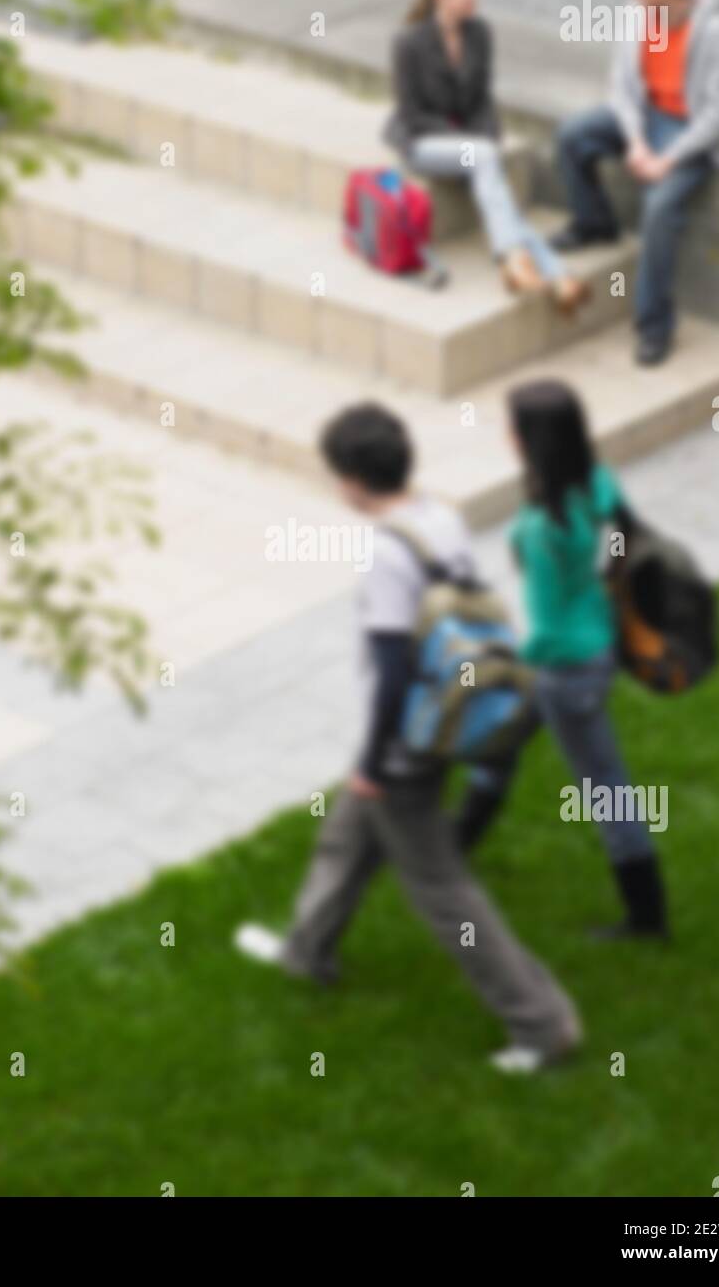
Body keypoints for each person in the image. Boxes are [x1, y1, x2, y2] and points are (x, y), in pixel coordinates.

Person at [236, 403, 581, 1074]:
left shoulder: (386, 555)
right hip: (440, 722)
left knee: (442, 890)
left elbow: (392, 672)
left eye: (337, 475)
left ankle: (541, 1026)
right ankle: (306, 954)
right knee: (343, 841)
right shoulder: (439, 518)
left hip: (402, 749)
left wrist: (372, 764)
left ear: (356, 480)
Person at [507, 379, 668, 939]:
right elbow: (623, 530)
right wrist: (606, 578)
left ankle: (647, 917)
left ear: (526, 441)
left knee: (607, 792)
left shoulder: (537, 529)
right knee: (504, 734)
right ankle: (460, 835)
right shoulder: (595, 482)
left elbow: (547, 626)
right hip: (597, 641)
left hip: (567, 670)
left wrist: (517, 654)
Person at [552, 0, 719, 367]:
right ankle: (594, 224)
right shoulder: (638, 15)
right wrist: (636, 142)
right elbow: (622, 89)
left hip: (687, 131)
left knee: (659, 208)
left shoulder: (714, 32)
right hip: (644, 116)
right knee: (573, 135)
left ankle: (654, 325)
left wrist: (667, 160)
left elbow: (717, 116)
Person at [385, 0, 591, 315]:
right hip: (422, 142)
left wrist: (485, 136)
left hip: (469, 145)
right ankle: (511, 259)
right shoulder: (409, 43)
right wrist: (468, 141)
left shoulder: (479, 33)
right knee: (483, 157)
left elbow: (482, 100)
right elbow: (411, 116)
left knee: (495, 187)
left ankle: (558, 276)